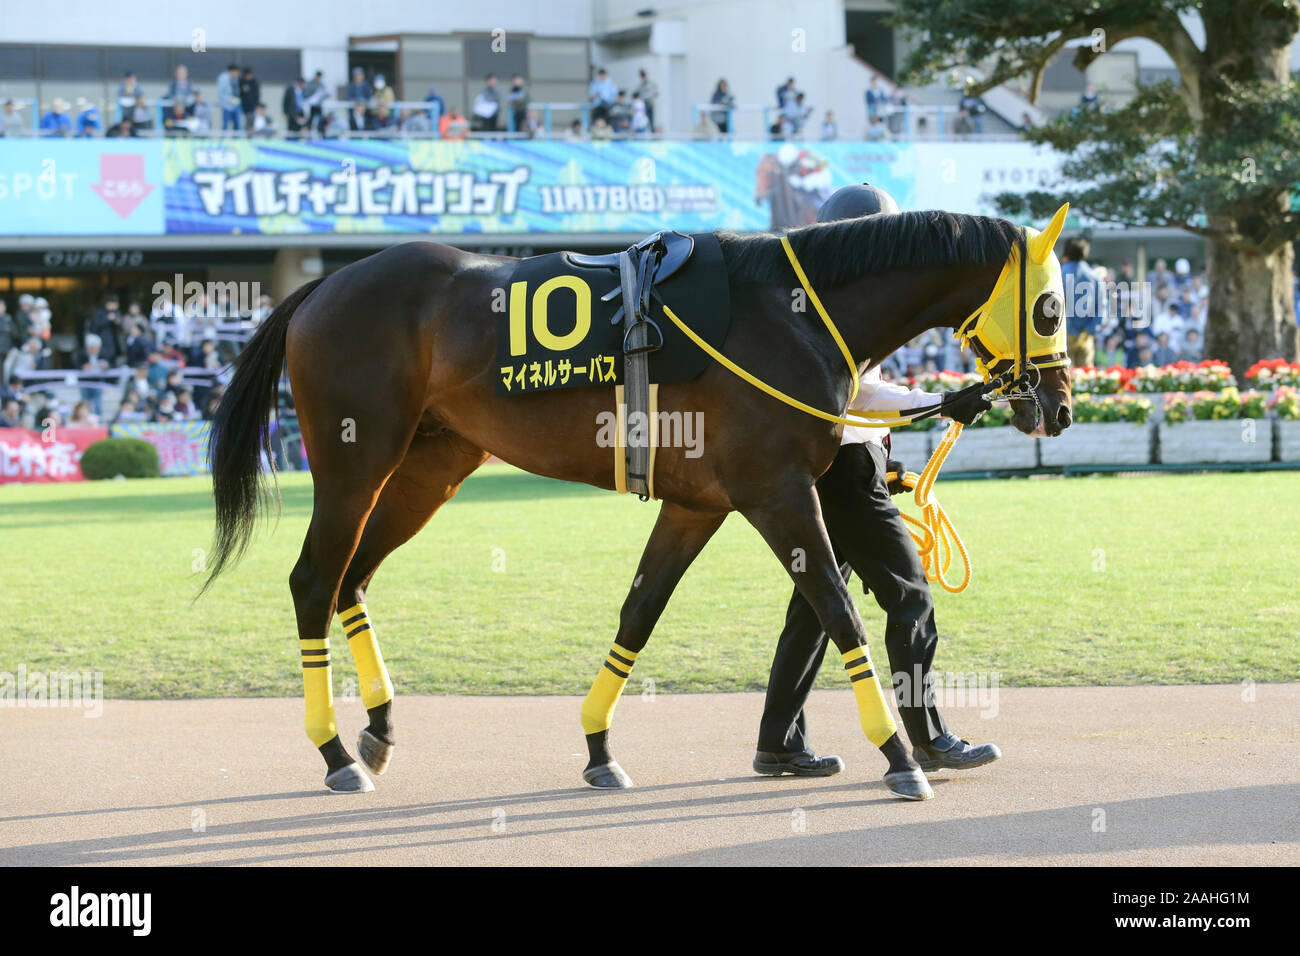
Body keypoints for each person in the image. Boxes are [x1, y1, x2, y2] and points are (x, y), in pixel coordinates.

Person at [754, 182, 1001, 799]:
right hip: (846, 475)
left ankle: (778, 742)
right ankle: (928, 737)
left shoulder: (816, 294)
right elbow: (858, 396)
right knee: (910, 599)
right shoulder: (847, 301)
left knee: (813, 611)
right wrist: (939, 402)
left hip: (834, 470)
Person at [1061, 237, 1106, 368]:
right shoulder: (1094, 276)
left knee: (1064, 378)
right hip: (1086, 335)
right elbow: (1101, 306)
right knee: (1085, 378)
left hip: (1064, 335)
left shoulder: (1059, 273)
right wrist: (1090, 329)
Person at [217, 63, 241, 131]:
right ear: (232, 71)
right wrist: (229, 100)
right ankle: (223, 139)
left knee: (237, 123)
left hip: (235, 103)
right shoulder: (223, 78)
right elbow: (221, 93)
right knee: (226, 123)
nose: (237, 74)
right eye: (236, 72)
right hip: (226, 105)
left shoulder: (235, 78)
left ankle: (237, 139)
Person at [239, 67, 261, 131]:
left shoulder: (254, 82)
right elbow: (238, 93)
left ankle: (249, 133)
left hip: (252, 105)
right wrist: (243, 90)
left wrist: (257, 105)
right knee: (242, 120)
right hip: (243, 105)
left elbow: (257, 94)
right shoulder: (241, 81)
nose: (250, 76)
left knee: (251, 120)